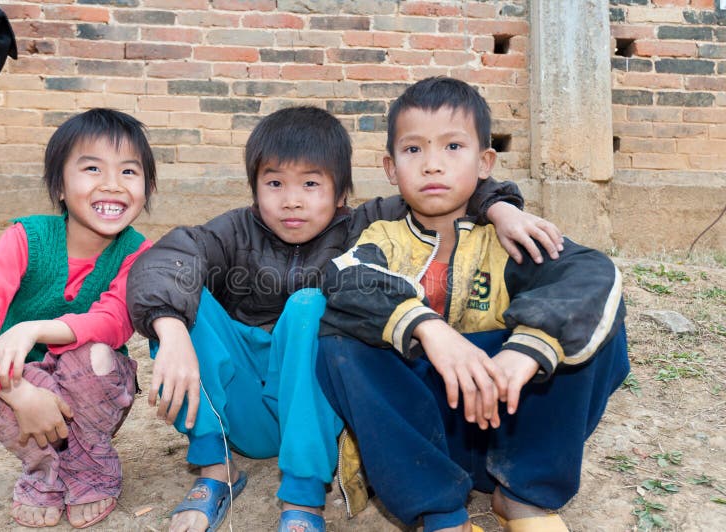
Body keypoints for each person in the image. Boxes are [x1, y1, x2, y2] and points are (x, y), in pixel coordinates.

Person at [126, 105, 564, 532]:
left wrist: (501, 208)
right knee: (181, 302)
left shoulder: (364, 224)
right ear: (255, 189)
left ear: (340, 194)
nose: (291, 201)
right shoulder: (234, 231)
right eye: (274, 182)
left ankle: (302, 494)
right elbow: (166, 259)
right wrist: (171, 329)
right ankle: (214, 470)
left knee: (310, 304)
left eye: (311, 184)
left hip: (315, 407)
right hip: (238, 412)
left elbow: (444, 194)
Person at [315, 77, 630, 532]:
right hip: (426, 437)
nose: (432, 166)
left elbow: (593, 274)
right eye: (413, 150)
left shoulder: (509, 238)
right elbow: (344, 280)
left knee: (597, 320)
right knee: (340, 337)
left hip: (512, 421)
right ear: (389, 167)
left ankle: (524, 497)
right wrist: (429, 328)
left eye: (453, 147)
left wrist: (526, 350)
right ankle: (440, 513)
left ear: (485, 163)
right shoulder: (379, 237)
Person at [0, 108, 156, 529]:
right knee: (6, 373)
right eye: (92, 168)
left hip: (93, 392)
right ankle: (45, 472)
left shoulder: (138, 252)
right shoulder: (26, 238)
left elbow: (115, 320)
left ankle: (91, 467)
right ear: (60, 186)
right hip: (23, 391)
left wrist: (32, 329)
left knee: (94, 352)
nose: (112, 184)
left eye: (129, 171)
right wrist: (19, 392)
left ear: (146, 188)